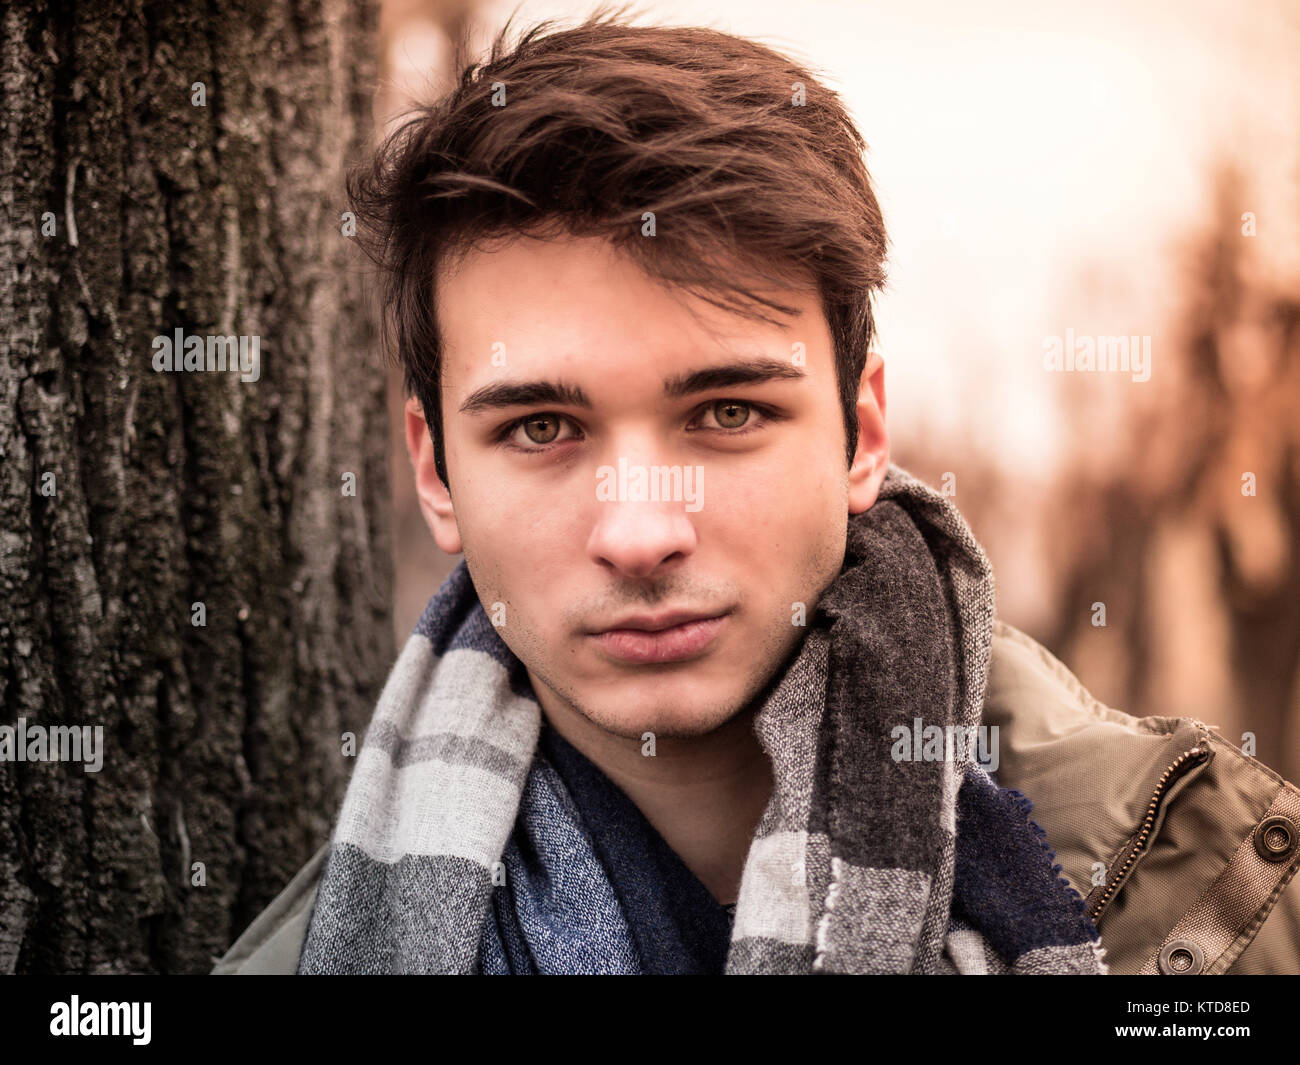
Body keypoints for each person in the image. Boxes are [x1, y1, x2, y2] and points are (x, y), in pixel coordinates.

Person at [213, 11, 1300, 975]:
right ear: (434, 472)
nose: (639, 533)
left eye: (727, 413)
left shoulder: (1221, 903)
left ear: (861, 432)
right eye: (541, 428)